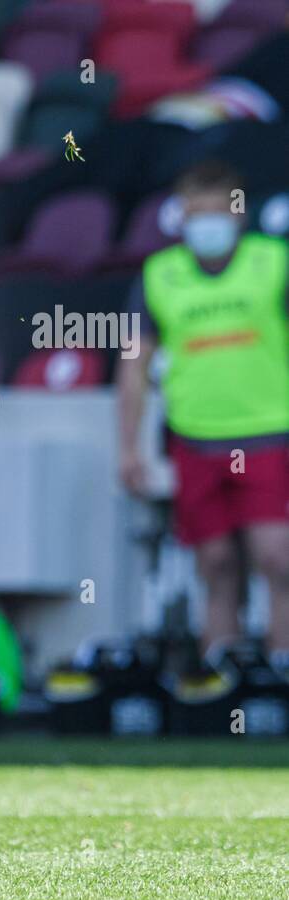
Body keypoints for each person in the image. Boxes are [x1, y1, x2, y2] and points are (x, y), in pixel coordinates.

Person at [118, 159, 289, 684]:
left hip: (269, 433)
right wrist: (129, 447)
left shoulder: (274, 263)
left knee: (276, 559)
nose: (206, 226)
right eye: (196, 215)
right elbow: (135, 364)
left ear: (238, 215)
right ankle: (222, 678)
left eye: (216, 213)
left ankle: (279, 673)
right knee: (214, 564)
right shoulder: (159, 276)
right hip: (195, 439)